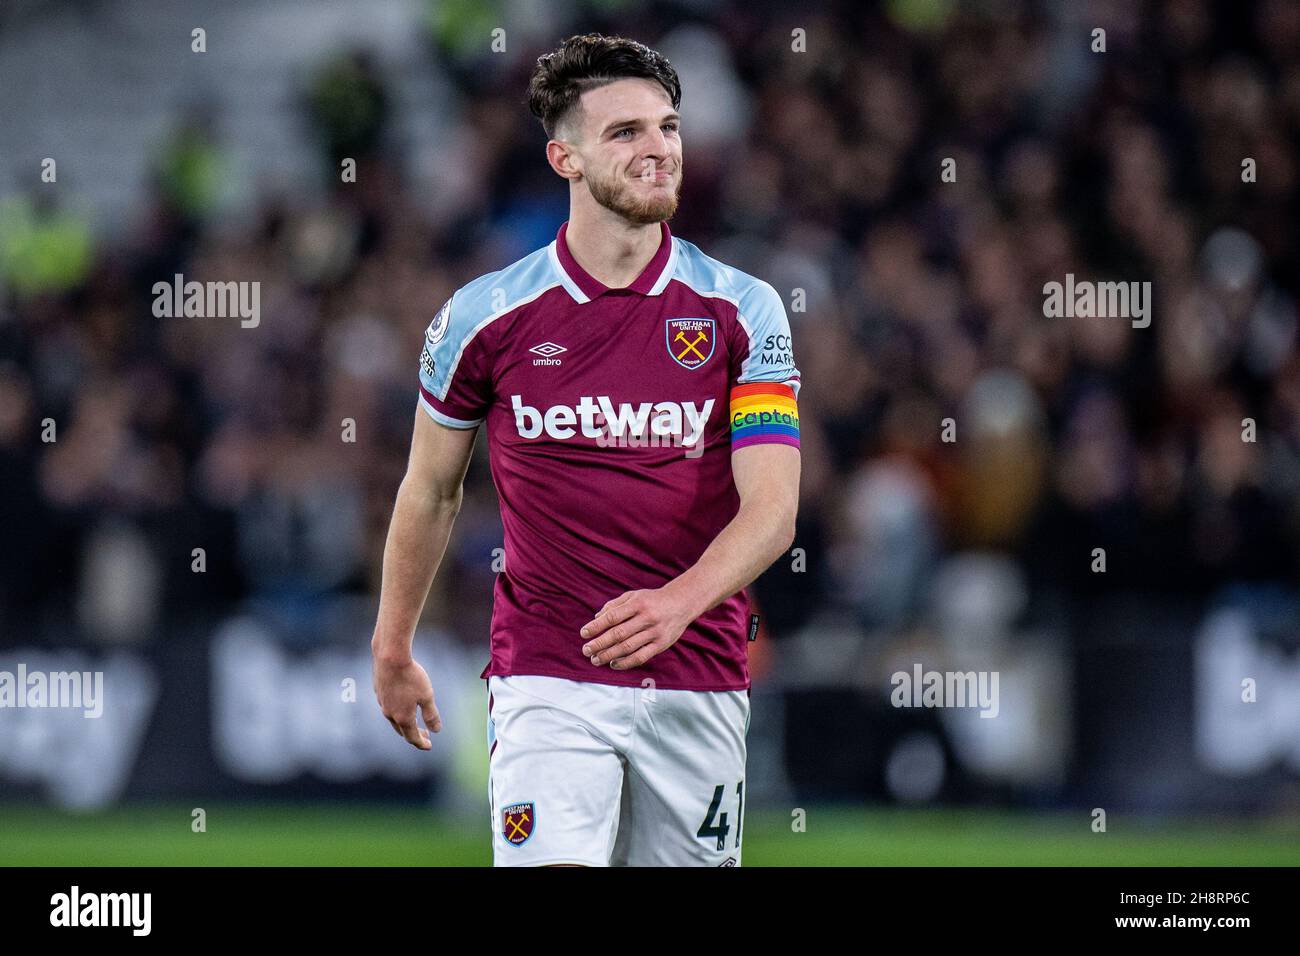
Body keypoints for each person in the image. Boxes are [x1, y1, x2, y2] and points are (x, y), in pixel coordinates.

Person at [371, 33, 801, 866]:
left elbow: (773, 511)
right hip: (547, 676)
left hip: (699, 676)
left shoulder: (743, 310)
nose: (658, 150)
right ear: (563, 157)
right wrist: (393, 645)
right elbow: (430, 490)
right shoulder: (483, 317)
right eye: (626, 132)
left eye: (669, 128)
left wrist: (677, 603)